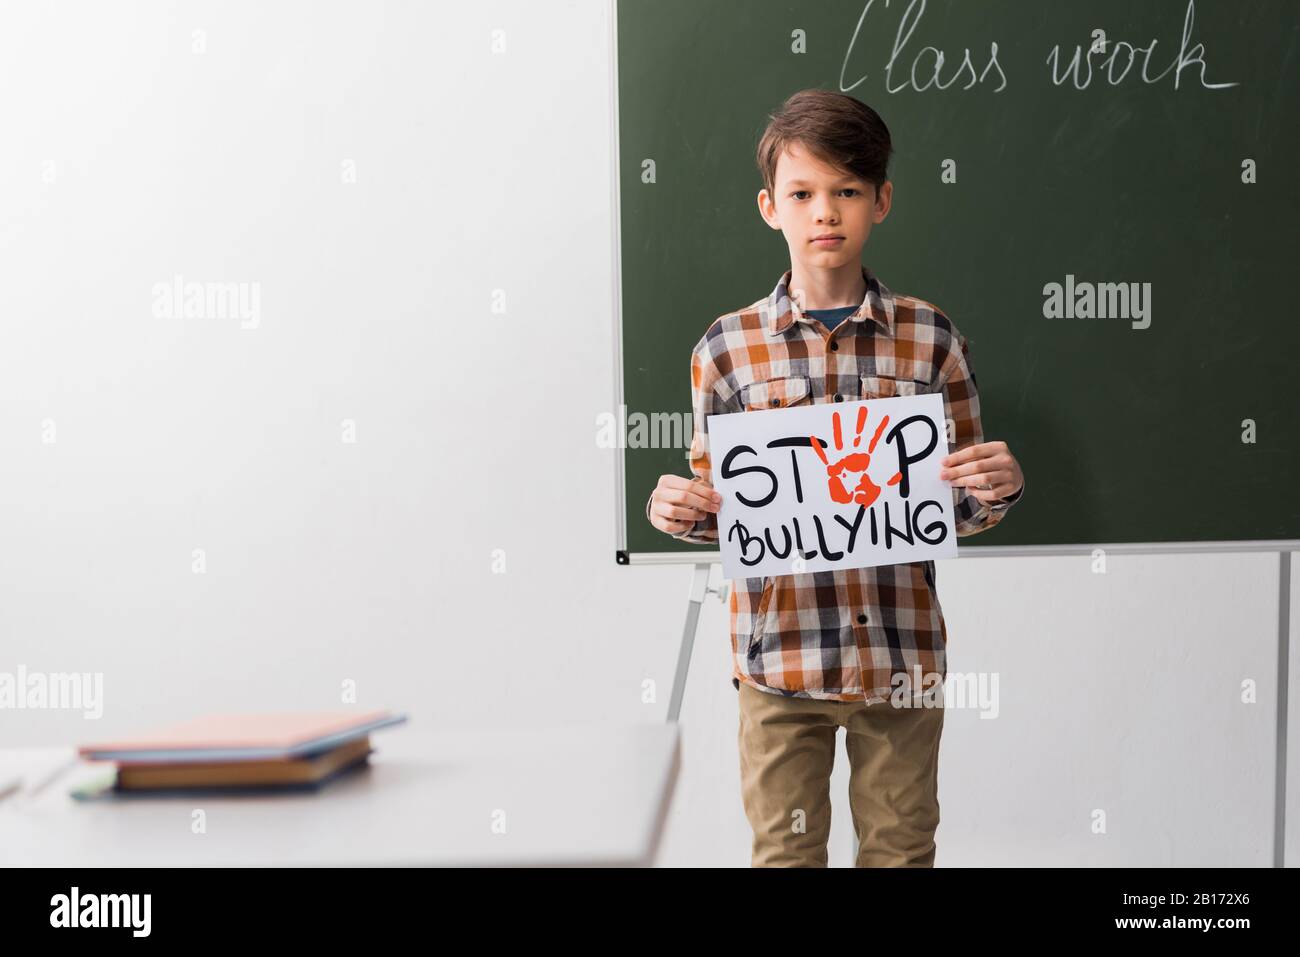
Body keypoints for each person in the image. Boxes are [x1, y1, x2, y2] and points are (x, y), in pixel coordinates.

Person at [646, 89, 1025, 867]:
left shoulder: (931, 339)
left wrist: (996, 487)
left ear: (881, 200)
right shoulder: (725, 350)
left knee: (901, 853)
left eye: (847, 191)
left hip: (900, 661)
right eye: (804, 193)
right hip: (779, 663)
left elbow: (955, 502)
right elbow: (730, 514)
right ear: (770, 207)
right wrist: (680, 508)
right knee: (785, 858)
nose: (826, 211)